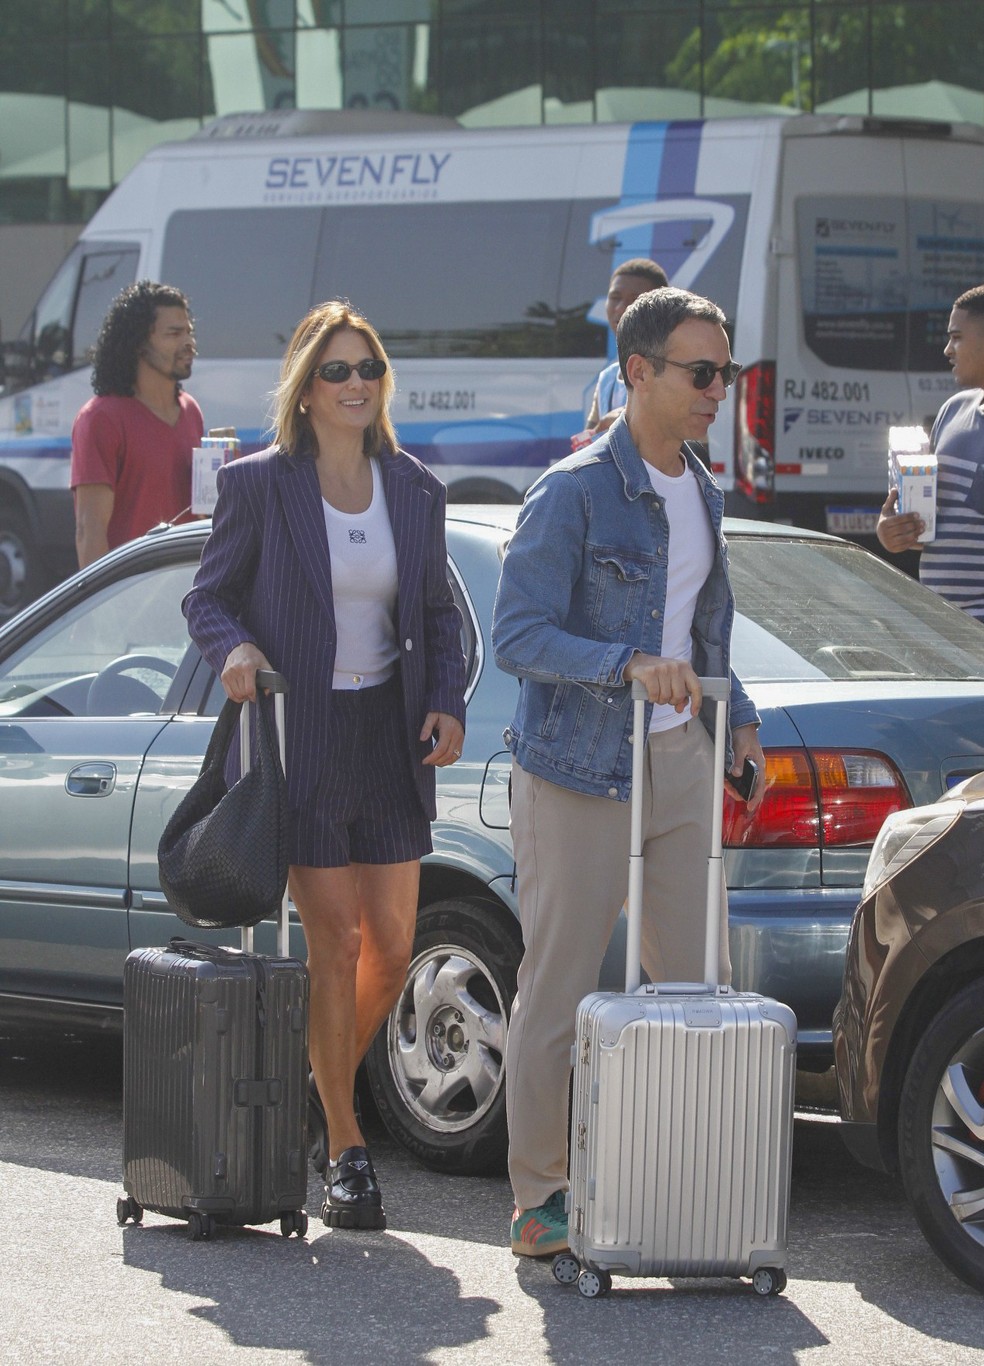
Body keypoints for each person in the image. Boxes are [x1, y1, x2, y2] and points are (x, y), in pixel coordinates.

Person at [492, 286, 765, 1257]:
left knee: (693, 992)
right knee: (558, 990)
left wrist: (741, 724)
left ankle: (678, 1188)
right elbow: (516, 635)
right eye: (701, 373)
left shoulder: (707, 492)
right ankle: (540, 1196)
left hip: (680, 763)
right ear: (638, 369)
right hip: (576, 768)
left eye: (724, 374)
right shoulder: (572, 491)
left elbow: (703, 625)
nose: (716, 392)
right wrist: (624, 665)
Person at [182, 301, 466, 1231]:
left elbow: (439, 614)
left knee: (391, 947)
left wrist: (447, 700)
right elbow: (208, 594)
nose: (356, 385)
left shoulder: (415, 487)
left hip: (389, 737)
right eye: (337, 372)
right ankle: (347, 1148)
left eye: (369, 369)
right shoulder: (259, 485)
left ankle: (308, 1088)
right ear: (305, 392)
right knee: (334, 943)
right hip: (298, 738)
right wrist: (231, 651)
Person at [70, 280, 202, 567]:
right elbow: (89, 531)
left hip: (187, 592)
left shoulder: (191, 411)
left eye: (189, 332)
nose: (188, 343)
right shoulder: (100, 419)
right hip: (128, 594)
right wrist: (105, 610)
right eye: (174, 333)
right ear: (139, 343)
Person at [876, 283, 984, 622]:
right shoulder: (954, 411)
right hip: (944, 631)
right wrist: (893, 530)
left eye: (957, 337)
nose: (947, 350)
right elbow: (942, 530)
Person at [584, 258, 669, 434]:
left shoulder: (675, 372)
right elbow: (587, 444)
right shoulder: (608, 380)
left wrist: (622, 420)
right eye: (615, 298)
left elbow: (697, 454)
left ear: (660, 308)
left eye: (635, 300)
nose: (621, 308)